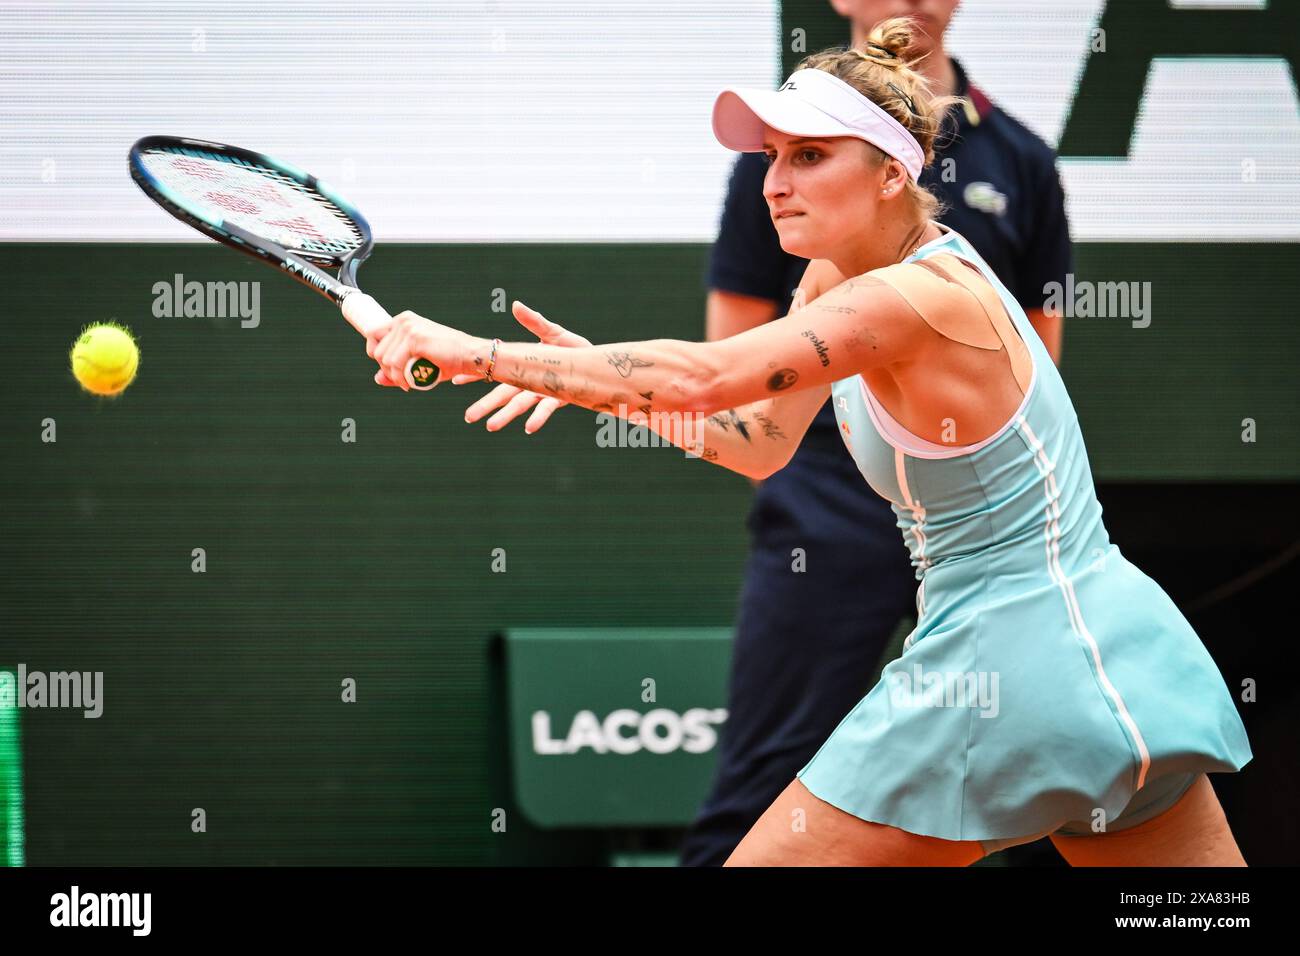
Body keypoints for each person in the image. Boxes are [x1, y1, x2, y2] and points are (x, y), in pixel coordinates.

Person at [359, 17, 1252, 865]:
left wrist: (482, 354)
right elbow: (753, 439)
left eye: (809, 156)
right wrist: (591, 383)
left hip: (1009, 664)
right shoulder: (834, 278)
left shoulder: (916, 297)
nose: (774, 182)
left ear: (893, 174)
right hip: (1107, 656)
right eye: (773, 157)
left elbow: (704, 376)